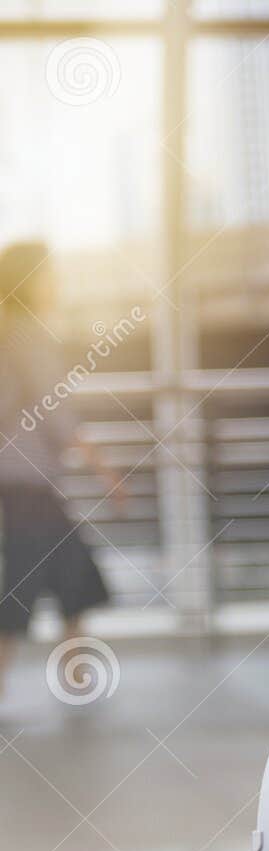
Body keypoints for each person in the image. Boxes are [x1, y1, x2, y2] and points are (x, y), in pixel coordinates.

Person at [0, 241, 123, 695]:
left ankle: (78, 674)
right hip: (28, 481)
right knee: (25, 584)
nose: (55, 281)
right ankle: (75, 675)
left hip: (20, 482)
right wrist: (106, 472)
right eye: (49, 273)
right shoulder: (27, 333)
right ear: (30, 280)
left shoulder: (8, 327)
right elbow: (57, 414)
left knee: (69, 570)